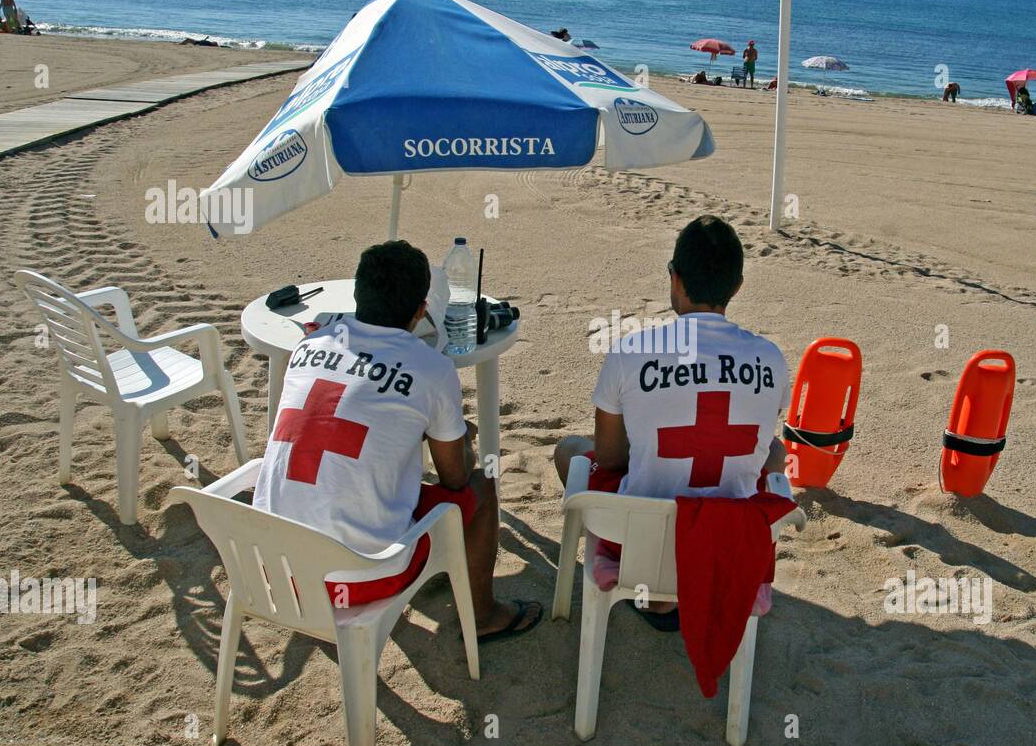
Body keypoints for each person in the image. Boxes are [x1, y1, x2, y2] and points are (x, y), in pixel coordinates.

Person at [254, 240, 542, 642]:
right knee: (482, 488)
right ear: (422, 310)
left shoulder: (309, 345)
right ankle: (483, 615)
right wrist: (461, 442)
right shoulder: (431, 368)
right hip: (352, 581)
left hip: (266, 566)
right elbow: (456, 478)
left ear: (357, 296)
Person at [554, 216, 791, 628]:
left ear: (675, 279)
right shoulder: (770, 358)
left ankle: (656, 594)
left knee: (570, 451)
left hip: (641, 535)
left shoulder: (631, 350)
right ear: (736, 286)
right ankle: (694, 582)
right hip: (727, 536)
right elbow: (754, 444)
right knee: (774, 450)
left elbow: (609, 459)